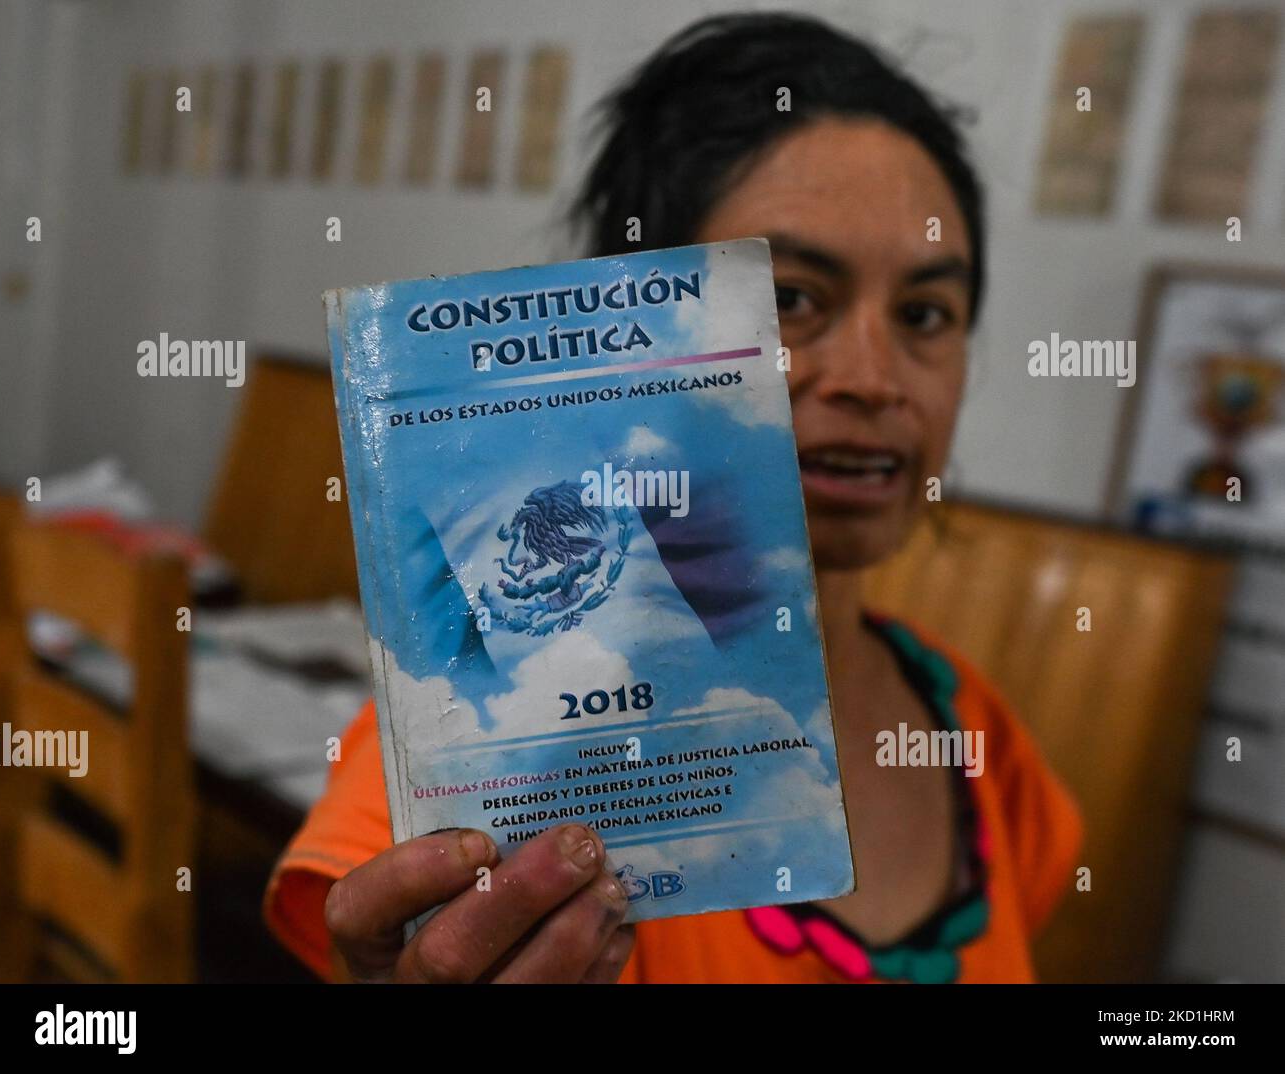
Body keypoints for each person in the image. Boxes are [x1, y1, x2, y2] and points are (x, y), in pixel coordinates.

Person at [264, 12, 1082, 984]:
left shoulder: (981, 748)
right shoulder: (480, 745)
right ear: (623, 335)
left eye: (924, 315)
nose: (874, 375)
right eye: (790, 297)